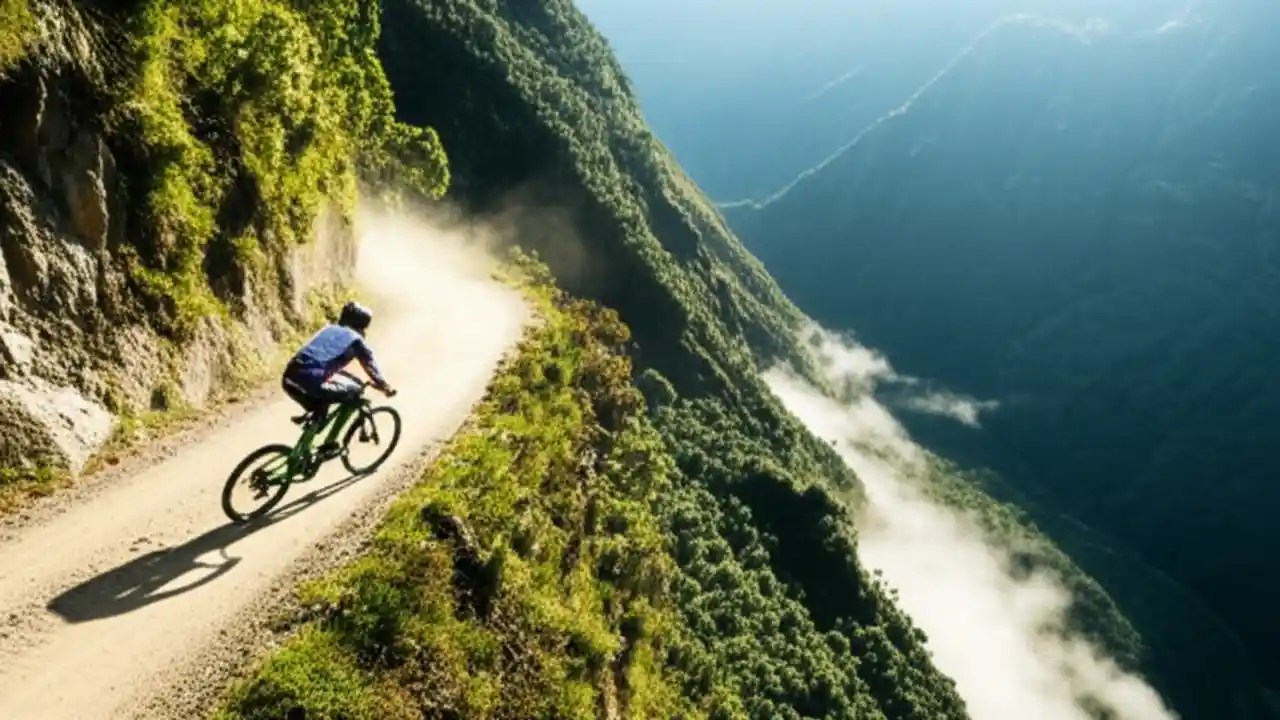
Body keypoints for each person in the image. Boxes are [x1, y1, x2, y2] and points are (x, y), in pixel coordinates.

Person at [282, 300, 396, 457]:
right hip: (311, 382)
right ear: (361, 326)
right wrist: (384, 386)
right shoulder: (356, 341)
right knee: (354, 393)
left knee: (322, 405)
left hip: (289, 377)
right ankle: (330, 443)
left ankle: (302, 452)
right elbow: (371, 367)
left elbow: (317, 360)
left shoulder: (328, 329)